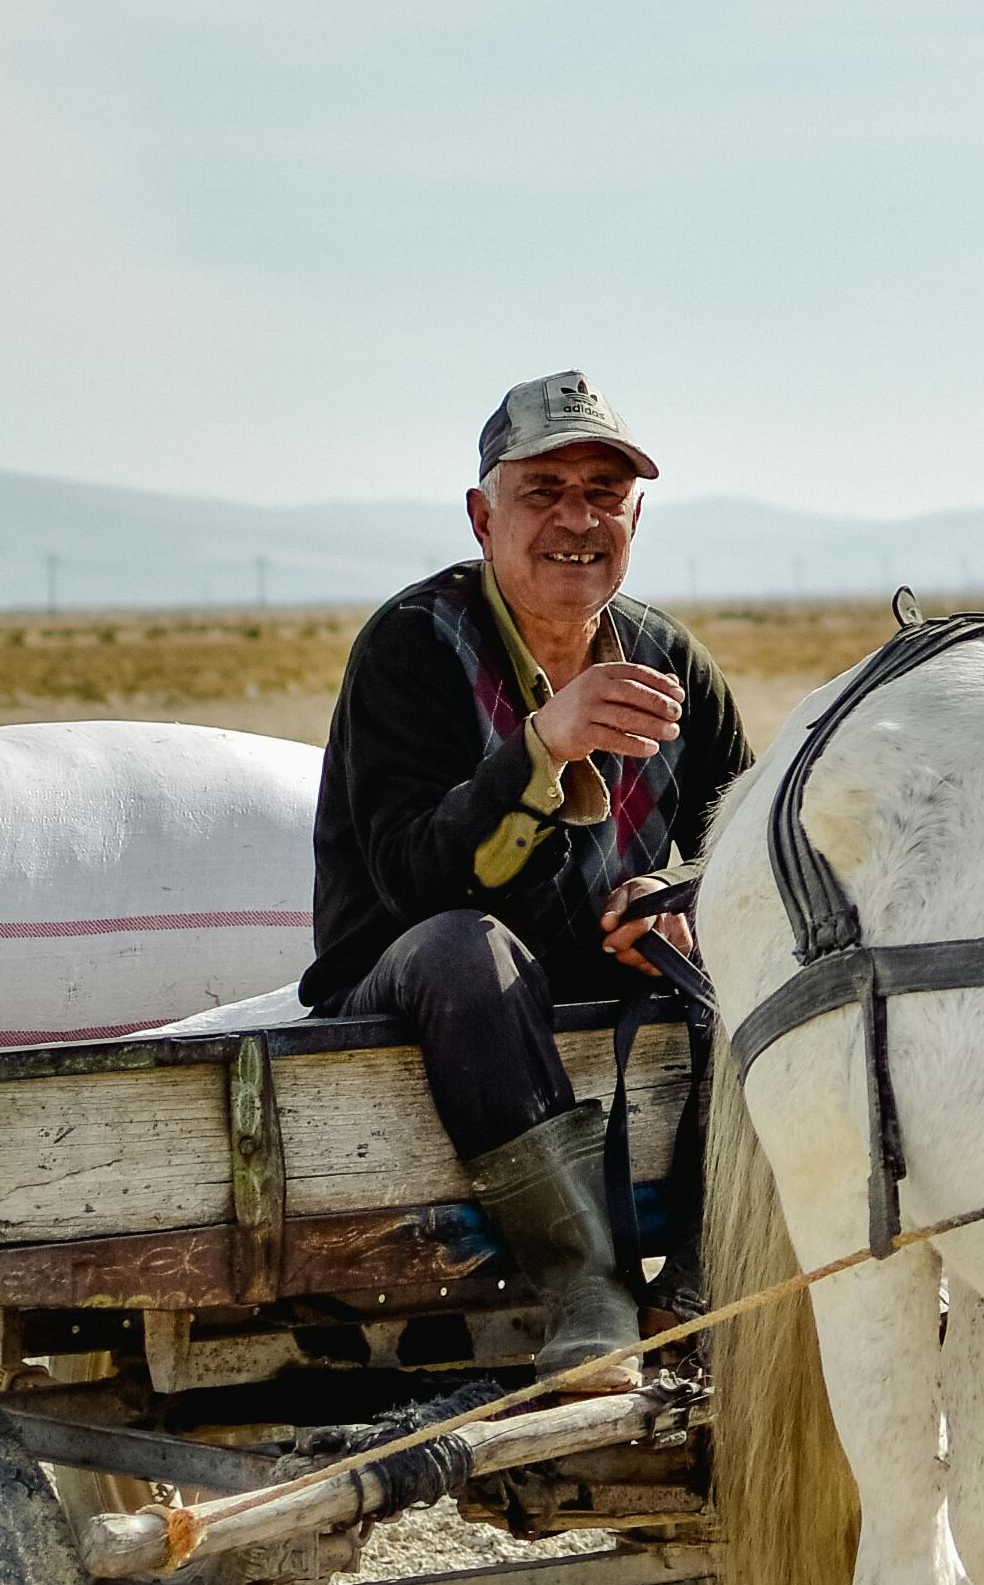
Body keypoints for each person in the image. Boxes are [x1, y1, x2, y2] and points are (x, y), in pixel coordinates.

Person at [302, 372, 748, 1371]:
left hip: (597, 981)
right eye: (542, 492)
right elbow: (413, 877)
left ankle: (699, 1277)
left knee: (752, 952)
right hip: (417, 990)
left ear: (635, 514)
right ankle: (585, 1284)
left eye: (603, 491)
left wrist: (681, 900)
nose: (577, 518)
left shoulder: (674, 662)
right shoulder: (413, 646)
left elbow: (746, 847)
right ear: (481, 515)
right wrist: (541, 748)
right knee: (470, 946)